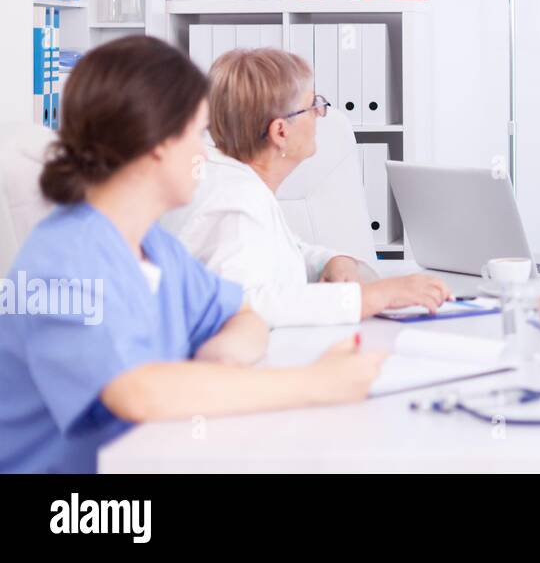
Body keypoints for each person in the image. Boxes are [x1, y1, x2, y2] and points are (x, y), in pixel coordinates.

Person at [0, 36, 386, 473]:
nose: (205, 153)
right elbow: (137, 392)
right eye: (194, 134)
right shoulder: (64, 260)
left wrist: (217, 362)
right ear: (156, 143)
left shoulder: (156, 250)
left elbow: (244, 314)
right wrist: (313, 384)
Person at [171, 49, 450, 327]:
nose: (321, 112)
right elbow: (242, 304)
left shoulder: (237, 185)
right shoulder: (237, 203)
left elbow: (277, 251)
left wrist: (330, 261)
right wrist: (371, 297)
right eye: (312, 104)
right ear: (281, 132)